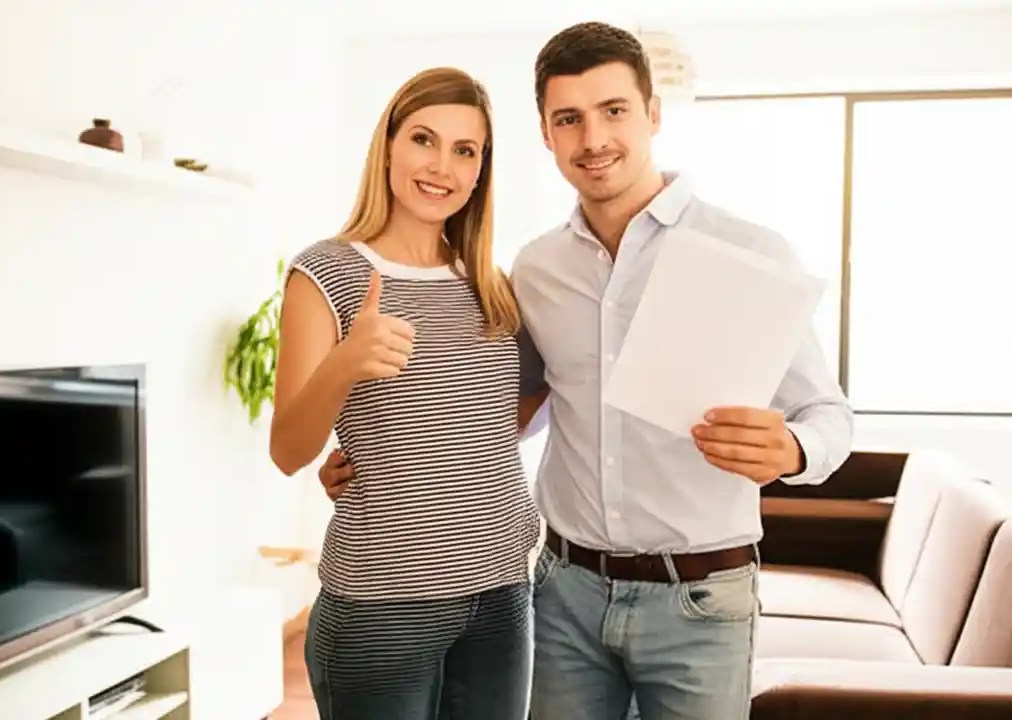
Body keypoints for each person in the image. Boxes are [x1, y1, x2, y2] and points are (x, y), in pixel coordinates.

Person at [319, 21, 855, 720]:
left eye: (614, 112)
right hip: (563, 590)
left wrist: (792, 450)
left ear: (653, 114)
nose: (593, 139)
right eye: (568, 119)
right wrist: (388, 462)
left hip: (700, 601)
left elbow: (830, 418)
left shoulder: (749, 252)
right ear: (546, 133)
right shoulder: (535, 269)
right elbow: (509, 404)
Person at [269, 66, 539, 720]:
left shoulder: (492, 285)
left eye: (464, 150)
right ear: (388, 145)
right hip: (383, 605)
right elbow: (287, 450)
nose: (441, 165)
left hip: (502, 593)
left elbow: (504, 416)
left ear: (480, 172)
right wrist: (345, 365)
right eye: (424, 139)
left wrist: (403, 460)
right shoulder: (326, 272)